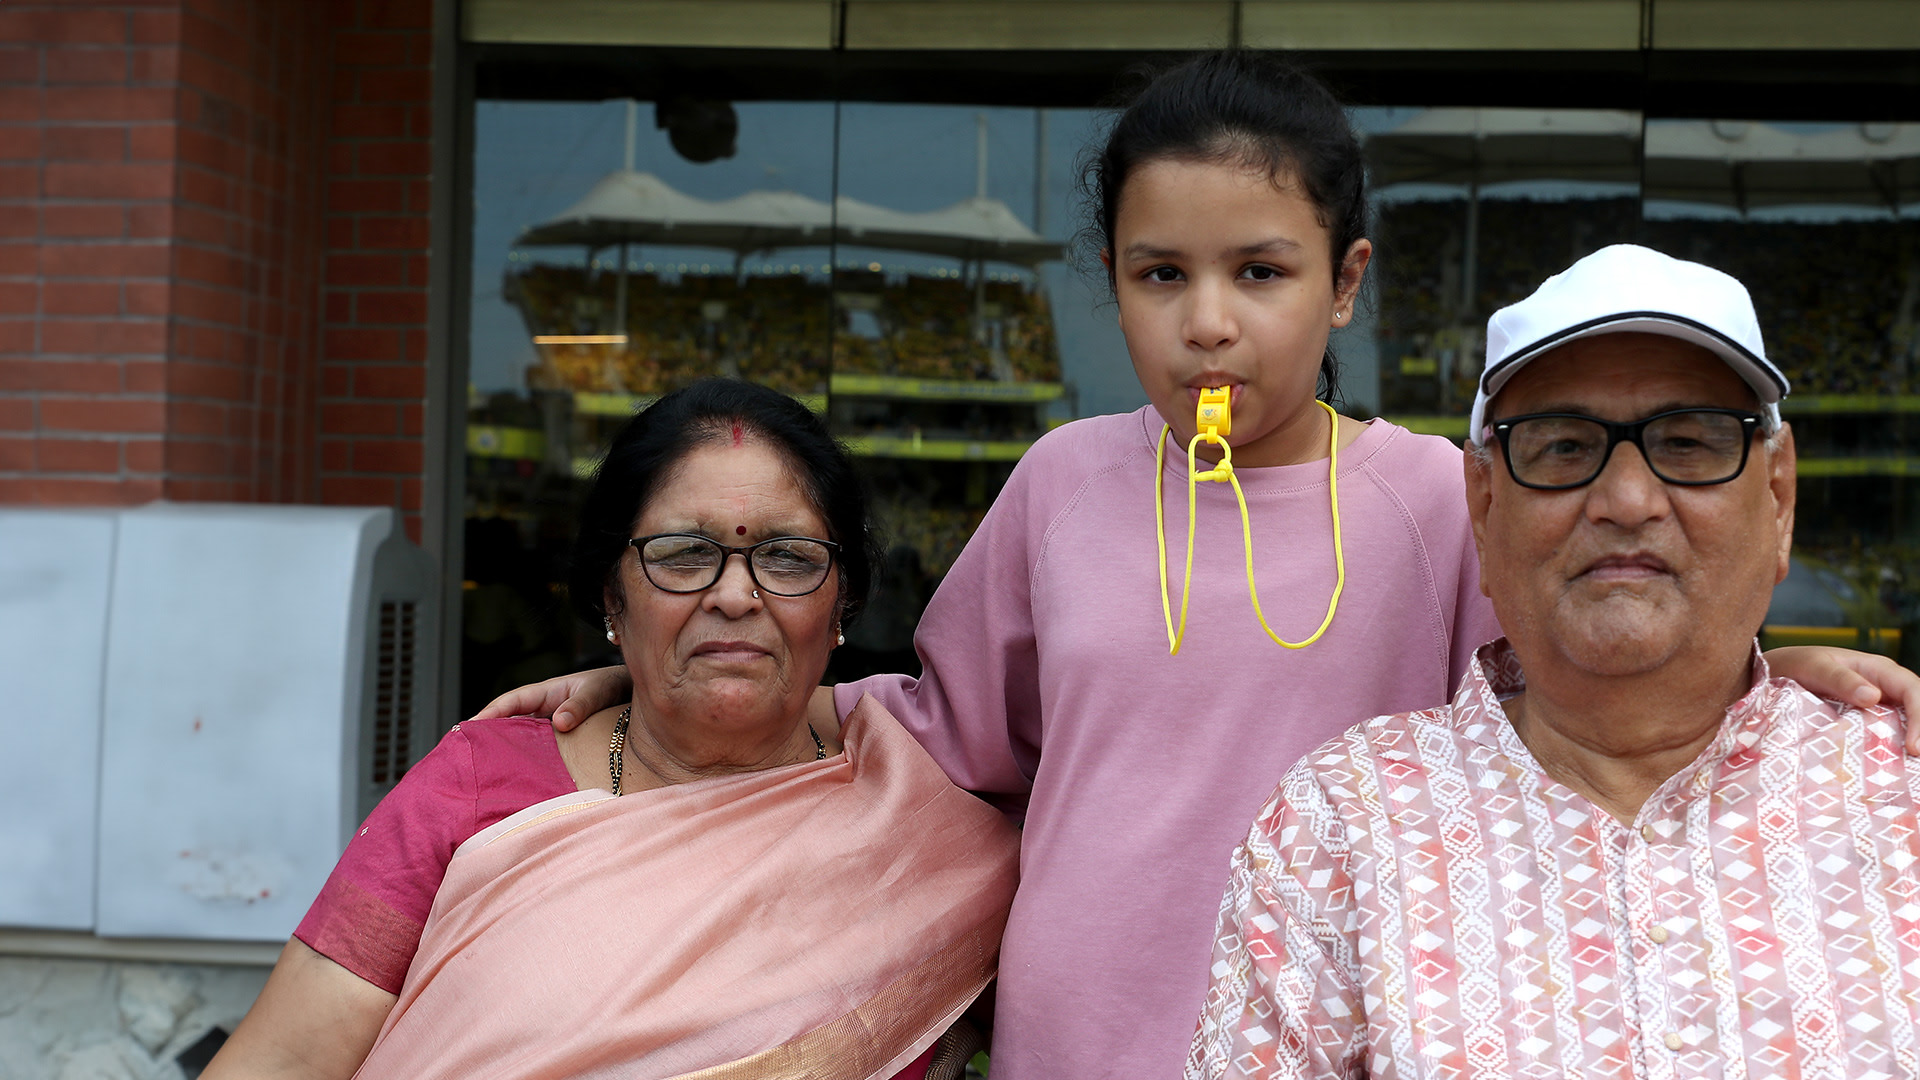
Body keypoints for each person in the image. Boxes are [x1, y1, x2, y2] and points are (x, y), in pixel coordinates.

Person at [480, 55, 1920, 1080]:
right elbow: (940, 729)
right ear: (1109, 280)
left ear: (1346, 283)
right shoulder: (1062, 484)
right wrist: (675, 688)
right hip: (1081, 1035)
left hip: (1359, 1026)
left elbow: (1574, 690)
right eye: (1160, 274)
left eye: (1260, 273)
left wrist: (1772, 671)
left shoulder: (1440, 495)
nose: (1209, 322)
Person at [1188, 244, 1920, 1078]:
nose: (1628, 501)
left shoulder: (1901, 789)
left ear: (1779, 497)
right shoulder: (1341, 829)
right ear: (1483, 505)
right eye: (1564, 447)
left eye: (1688, 442)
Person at [206, 380, 1020, 1080]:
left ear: (842, 602)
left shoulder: (923, 825)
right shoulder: (481, 783)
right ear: (611, 596)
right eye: (683, 552)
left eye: (787, 556)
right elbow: (282, 1063)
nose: (735, 595)